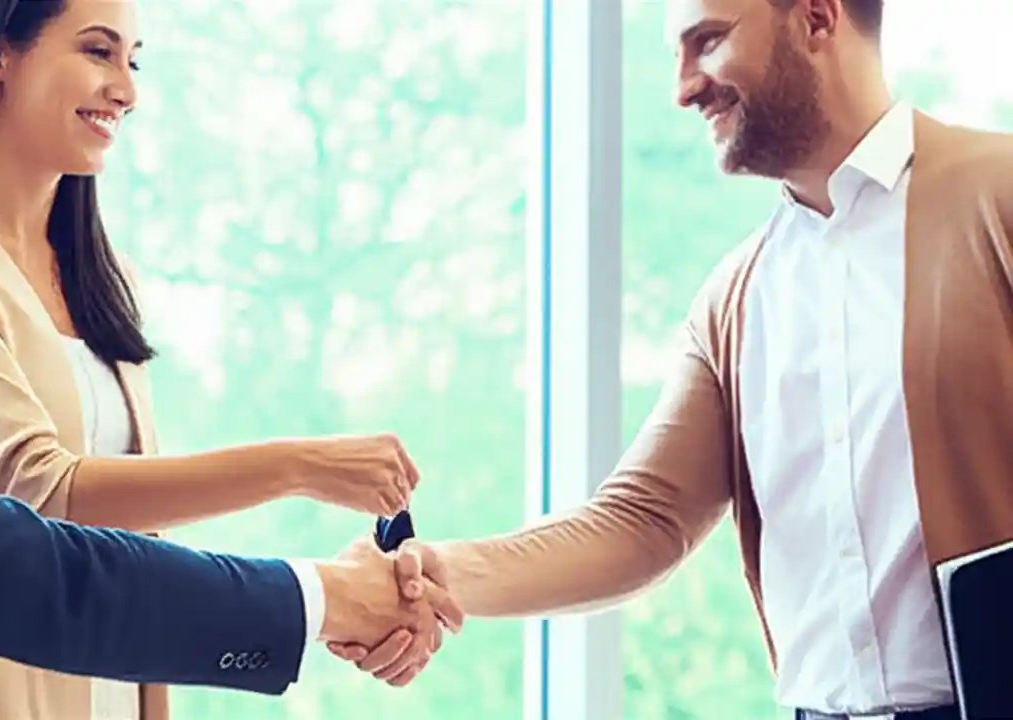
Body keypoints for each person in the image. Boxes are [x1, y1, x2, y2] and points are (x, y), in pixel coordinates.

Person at [0, 2, 461, 718]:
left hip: (111, 675)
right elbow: (29, 493)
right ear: (0, 53)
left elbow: (126, 535)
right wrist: (306, 509)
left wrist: (360, 593)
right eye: (97, 51)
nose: (126, 90)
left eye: (133, 61)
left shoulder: (105, 279)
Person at [335, 0, 1013, 717]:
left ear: (816, 18)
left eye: (708, 42)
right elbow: (643, 521)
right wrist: (431, 575)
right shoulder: (736, 297)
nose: (684, 88)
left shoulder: (997, 200)